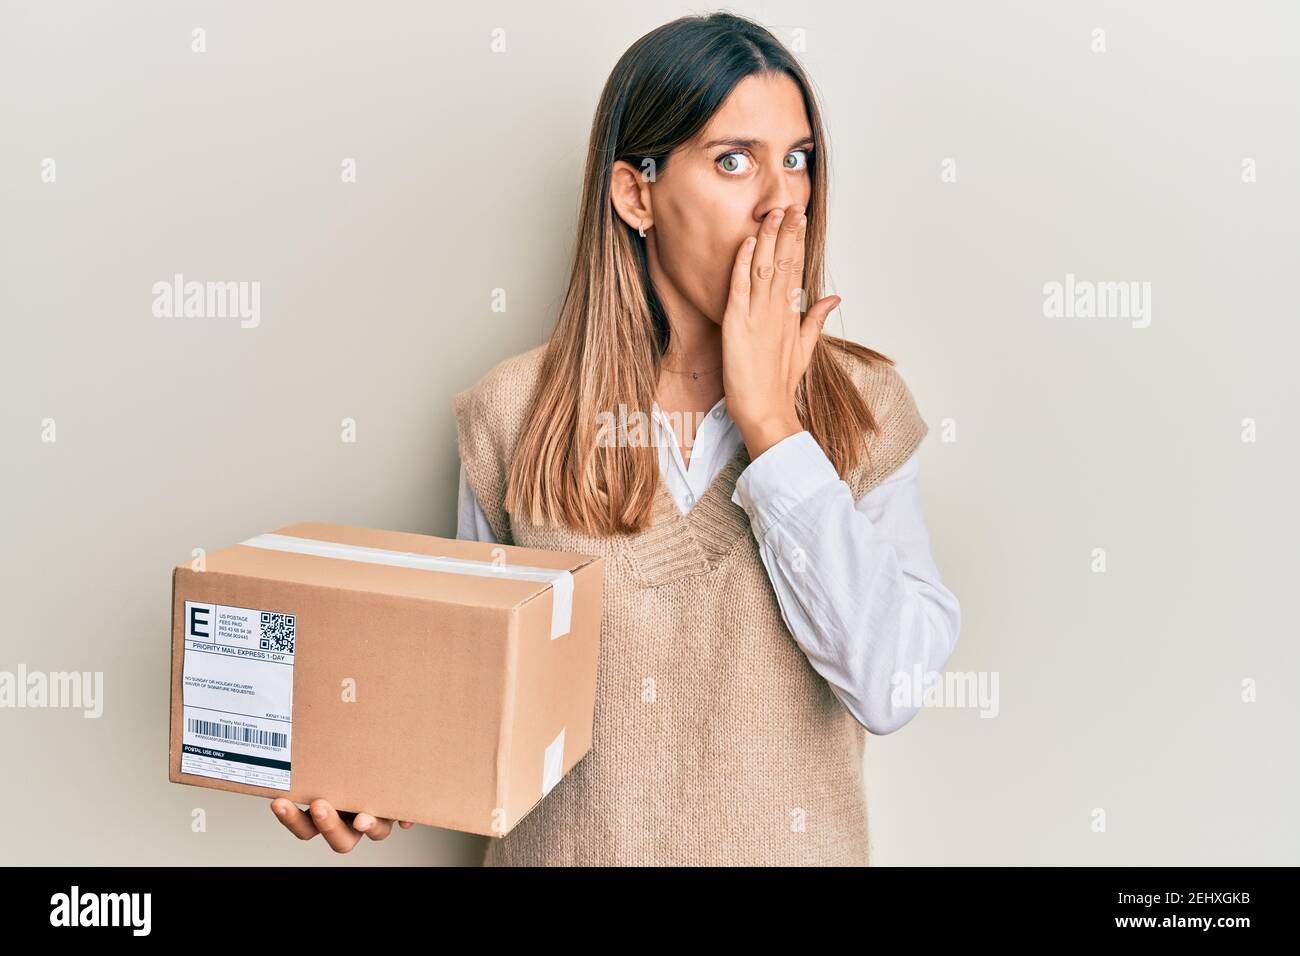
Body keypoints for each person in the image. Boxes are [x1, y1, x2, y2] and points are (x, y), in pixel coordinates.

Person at [273, 10, 959, 864]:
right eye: (733, 160)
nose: (781, 200)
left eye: (799, 159)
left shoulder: (866, 408)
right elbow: (480, 709)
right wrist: (366, 774)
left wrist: (773, 427)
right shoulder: (513, 416)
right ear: (638, 195)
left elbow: (891, 684)